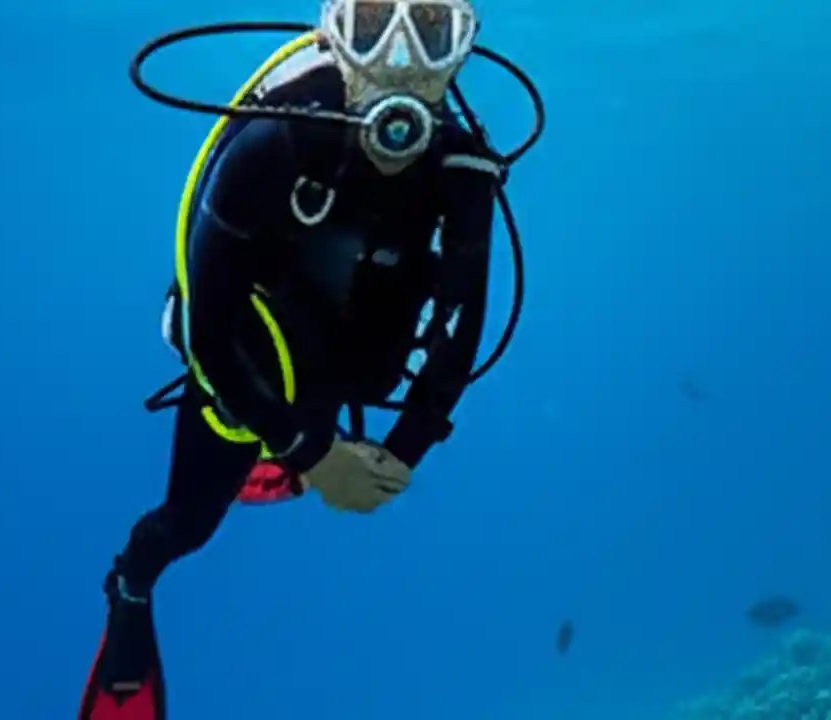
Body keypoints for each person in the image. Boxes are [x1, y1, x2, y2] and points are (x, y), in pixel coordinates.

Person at [78, 1, 502, 718]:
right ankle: (130, 585)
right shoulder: (275, 140)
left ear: (463, 49)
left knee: (343, 375)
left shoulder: (462, 170)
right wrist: (316, 456)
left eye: (432, 31)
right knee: (189, 522)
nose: (399, 58)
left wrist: (405, 449)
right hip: (248, 364)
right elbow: (209, 327)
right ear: (334, 32)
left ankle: (289, 449)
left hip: (344, 363)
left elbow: (462, 327)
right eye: (372, 25)